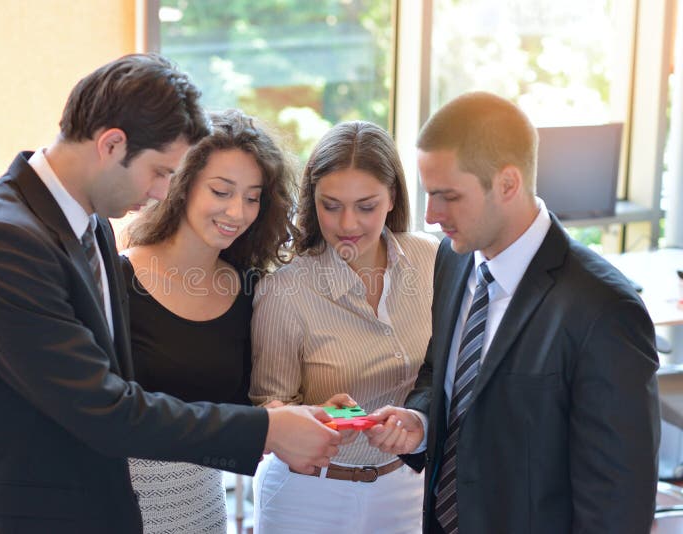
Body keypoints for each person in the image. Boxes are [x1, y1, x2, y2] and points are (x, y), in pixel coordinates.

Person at [0, 54, 340, 534]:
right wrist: (268, 431)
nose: (165, 192)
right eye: (160, 171)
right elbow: (102, 407)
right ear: (111, 144)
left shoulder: (93, 225)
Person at [366, 91, 660, 534]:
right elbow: (438, 373)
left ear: (507, 183)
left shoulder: (604, 310)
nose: (431, 215)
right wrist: (421, 421)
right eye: (429, 194)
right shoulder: (453, 258)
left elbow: (618, 501)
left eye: (447, 196)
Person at [250, 121, 438, 533]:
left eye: (366, 205)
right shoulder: (285, 288)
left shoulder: (432, 260)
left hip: (406, 489)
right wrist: (313, 416)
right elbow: (267, 406)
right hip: (307, 496)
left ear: (392, 197)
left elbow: (447, 374)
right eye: (330, 205)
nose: (348, 224)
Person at [120, 109, 298, 533]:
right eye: (221, 191)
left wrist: (302, 414)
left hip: (202, 512)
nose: (237, 212)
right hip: (119, 509)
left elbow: (241, 406)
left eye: (253, 197)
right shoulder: (117, 278)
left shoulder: (249, 289)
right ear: (181, 185)